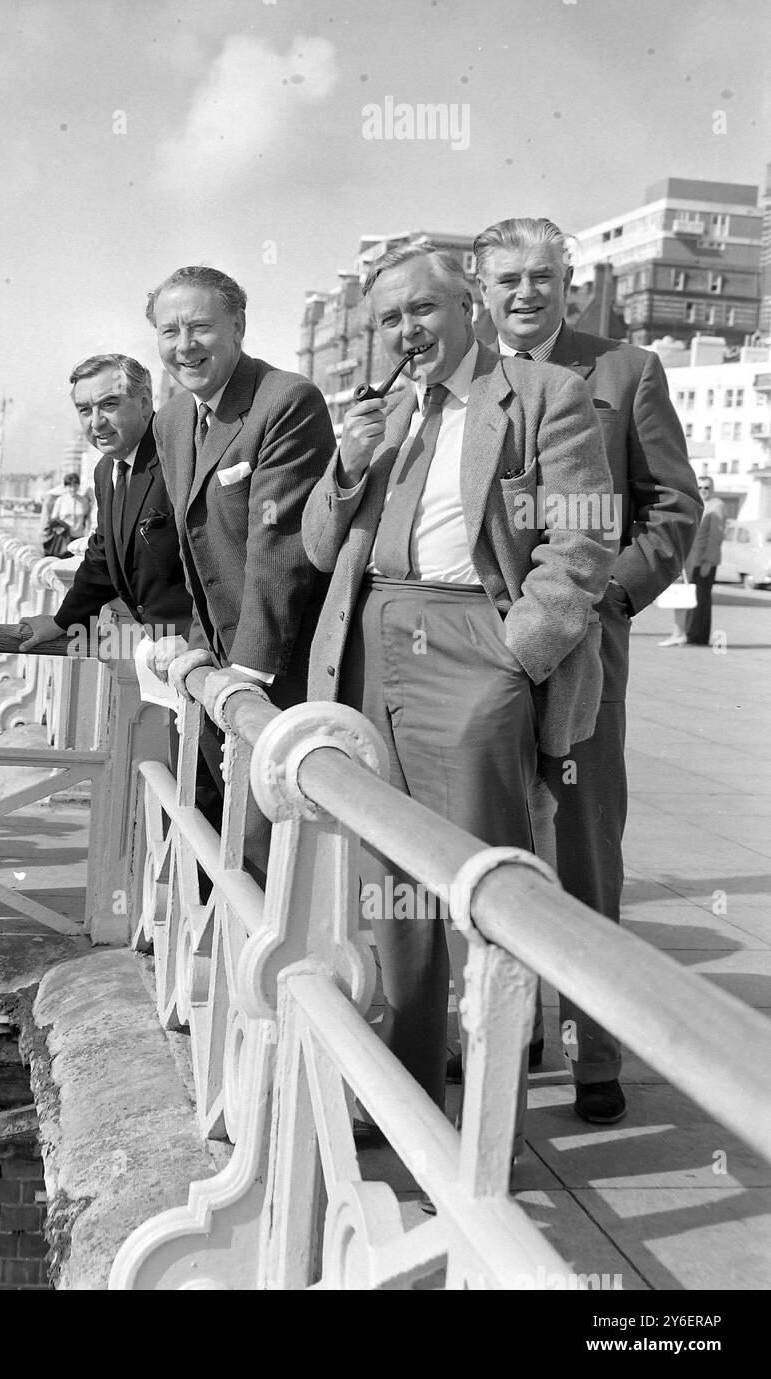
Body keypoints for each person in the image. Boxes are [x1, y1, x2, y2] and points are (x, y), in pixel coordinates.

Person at [302, 242, 614, 1121]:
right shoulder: (386, 412)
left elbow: (584, 538)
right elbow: (323, 550)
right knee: (388, 884)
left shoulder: (544, 395)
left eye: (422, 310)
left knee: (480, 890)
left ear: (468, 304)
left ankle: (487, 1126)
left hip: (475, 638)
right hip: (370, 641)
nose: (407, 331)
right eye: (390, 319)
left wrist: (520, 650)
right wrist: (348, 464)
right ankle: (403, 1101)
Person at [473, 216, 701, 1124]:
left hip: (582, 645)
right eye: (507, 281)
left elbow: (673, 504)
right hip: (474, 644)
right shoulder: (463, 380)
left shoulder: (623, 370)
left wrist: (612, 595)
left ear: (570, 282)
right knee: (485, 831)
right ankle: (503, 1031)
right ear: (479, 290)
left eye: (543, 277)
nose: (526, 295)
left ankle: (597, 1050)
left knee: (584, 841)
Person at [147, 265, 336, 883]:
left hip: (278, 656)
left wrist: (247, 670)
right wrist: (196, 648)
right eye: (169, 330)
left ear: (239, 326)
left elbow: (278, 544)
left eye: (201, 327)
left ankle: (278, 975)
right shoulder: (174, 417)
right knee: (223, 830)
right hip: (215, 658)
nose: (185, 346)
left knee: (273, 833)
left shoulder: (286, 400)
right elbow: (189, 545)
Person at [18, 354, 192, 651]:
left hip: (198, 648)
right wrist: (62, 622)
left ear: (145, 403)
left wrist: (196, 642)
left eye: (109, 404)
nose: (96, 423)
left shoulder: (179, 456)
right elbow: (104, 551)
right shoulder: (106, 469)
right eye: (84, 410)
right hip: (156, 645)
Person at [660, 476, 724, 649]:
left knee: (701, 598)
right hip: (692, 560)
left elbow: (715, 536)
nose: (704, 490)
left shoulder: (716, 505)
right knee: (693, 598)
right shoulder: (700, 505)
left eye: (707, 488)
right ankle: (688, 634)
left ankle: (698, 636)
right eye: (701, 487)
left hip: (704, 561)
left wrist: (708, 561)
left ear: (713, 489)